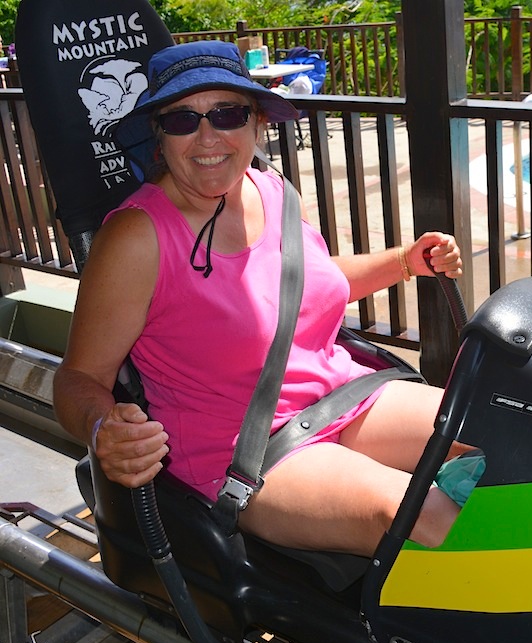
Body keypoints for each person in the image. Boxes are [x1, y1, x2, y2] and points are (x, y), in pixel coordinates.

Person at [52, 40, 469, 558]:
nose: (208, 136)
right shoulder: (138, 238)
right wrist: (102, 428)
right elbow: (77, 378)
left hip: (340, 397)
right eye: (183, 120)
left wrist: (405, 261)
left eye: (227, 114)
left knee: (506, 437)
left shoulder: (268, 188)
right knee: (429, 520)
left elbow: (307, 286)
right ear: (160, 137)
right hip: (246, 449)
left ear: (257, 125)